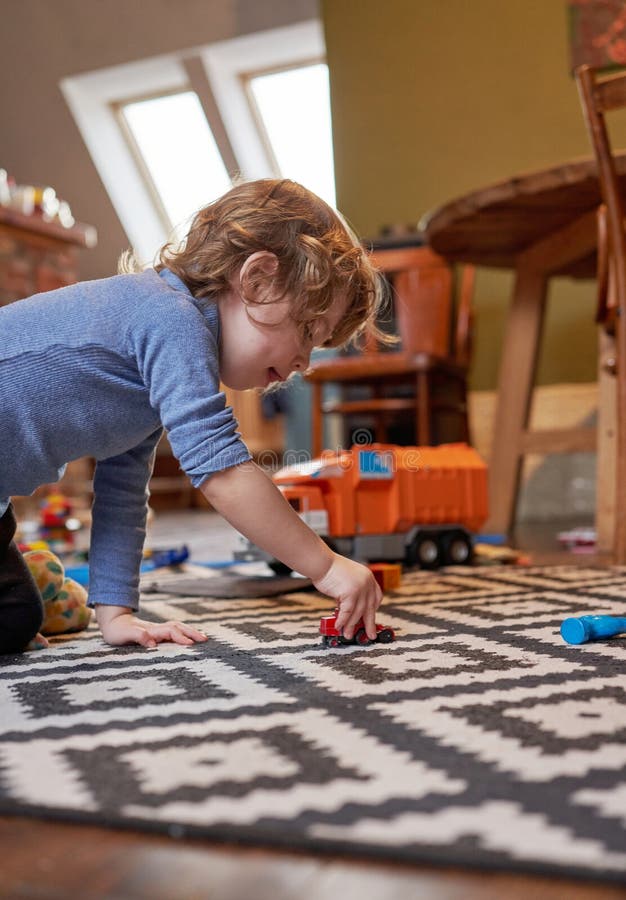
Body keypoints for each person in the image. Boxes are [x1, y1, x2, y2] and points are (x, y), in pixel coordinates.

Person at [0, 178, 388, 655]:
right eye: (307, 330)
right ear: (257, 279)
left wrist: (116, 614)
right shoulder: (170, 318)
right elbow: (221, 471)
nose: (304, 362)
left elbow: (122, 489)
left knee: (17, 619)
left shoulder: (161, 357)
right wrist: (326, 567)